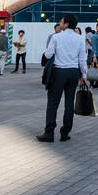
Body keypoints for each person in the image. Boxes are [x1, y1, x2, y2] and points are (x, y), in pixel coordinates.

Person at [37, 14, 90, 142]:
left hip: (59, 72)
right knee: (69, 103)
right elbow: (82, 59)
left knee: (53, 104)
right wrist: (84, 75)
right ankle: (65, 133)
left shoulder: (56, 37)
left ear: (66, 24)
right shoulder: (79, 38)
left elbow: (49, 54)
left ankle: (49, 133)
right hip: (73, 73)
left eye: (61, 22)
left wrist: (44, 55)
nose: (59, 24)